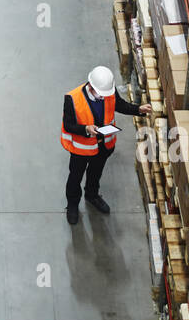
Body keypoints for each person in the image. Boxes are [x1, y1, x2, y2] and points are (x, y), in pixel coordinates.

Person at [60, 65, 151, 224]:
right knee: (75, 178)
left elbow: (120, 105)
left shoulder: (108, 91)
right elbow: (68, 125)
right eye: (100, 95)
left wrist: (139, 109)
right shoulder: (72, 98)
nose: (104, 97)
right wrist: (85, 129)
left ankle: (92, 195)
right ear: (90, 86)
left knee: (95, 174)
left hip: (103, 146)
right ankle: (73, 205)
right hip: (81, 149)